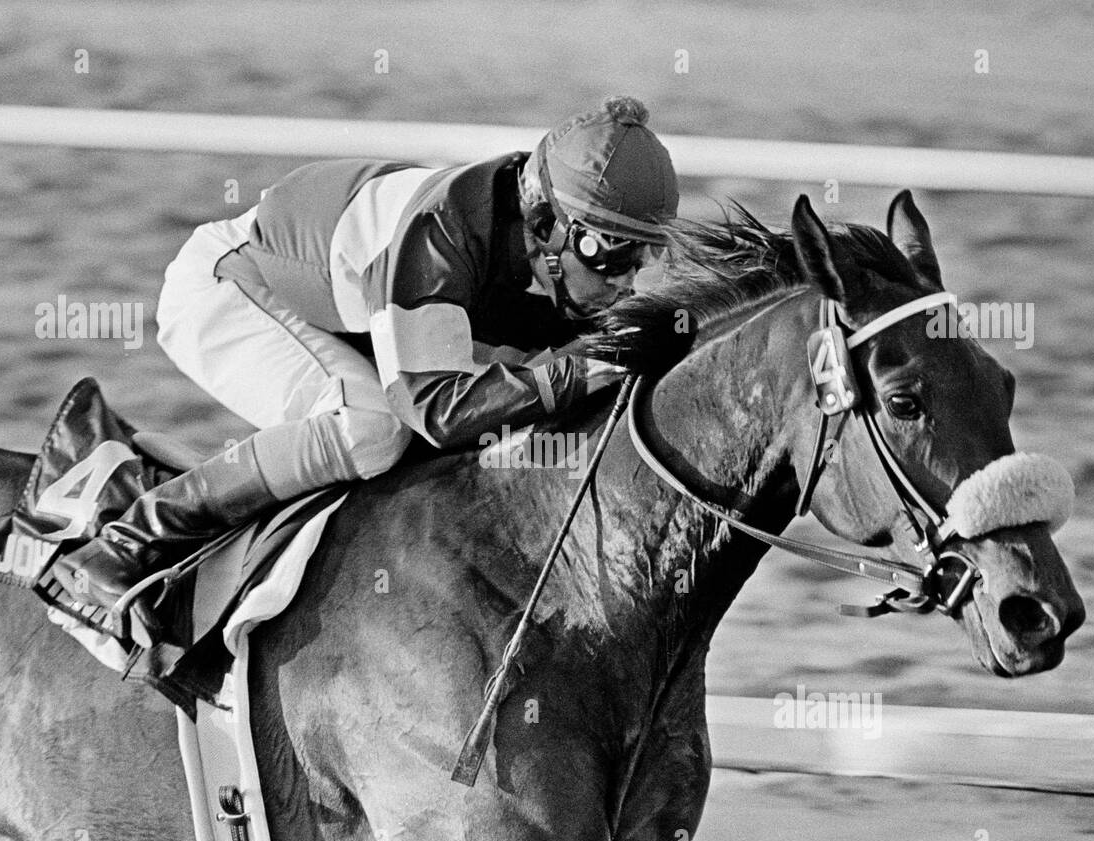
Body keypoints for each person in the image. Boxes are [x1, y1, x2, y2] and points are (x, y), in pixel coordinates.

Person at [51, 95, 680, 632]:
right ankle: (127, 541)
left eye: (646, 257)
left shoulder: (525, 235)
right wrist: (587, 366)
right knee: (373, 430)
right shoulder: (443, 228)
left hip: (339, 311)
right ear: (547, 224)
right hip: (228, 287)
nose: (627, 280)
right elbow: (438, 410)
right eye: (612, 254)